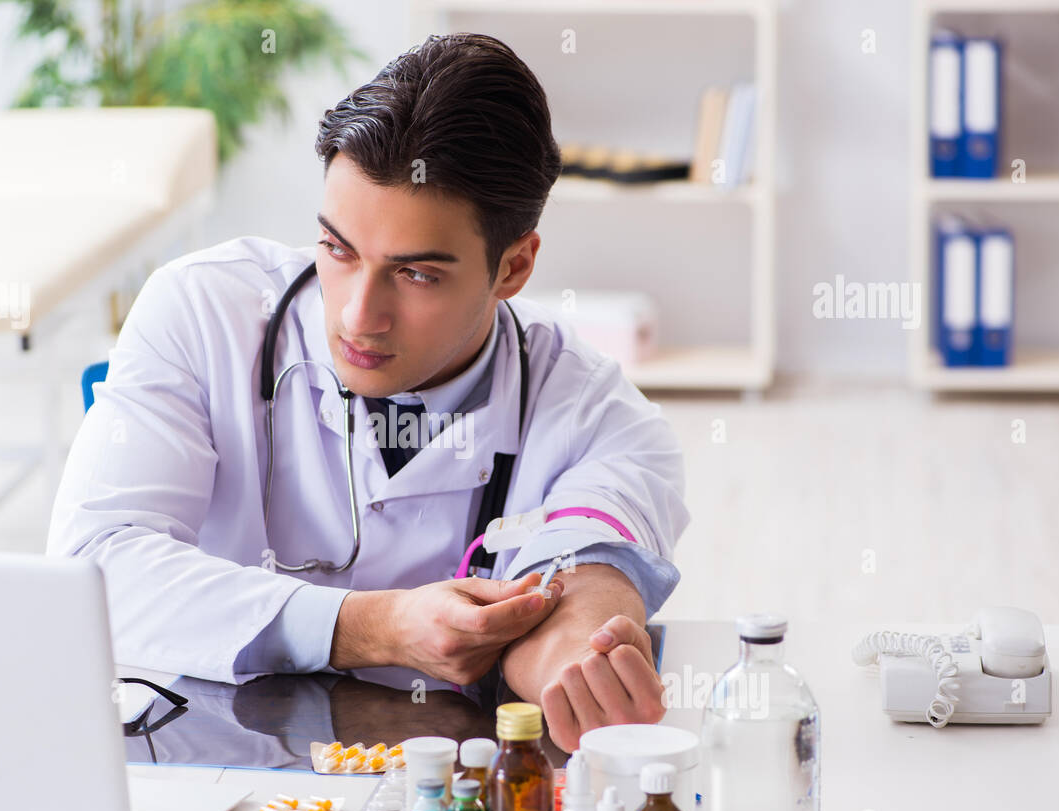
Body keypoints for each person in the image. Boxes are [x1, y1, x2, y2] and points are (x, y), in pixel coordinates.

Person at [47, 33, 690, 752]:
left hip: (437, 791)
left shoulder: (599, 415)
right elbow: (93, 570)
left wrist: (578, 652)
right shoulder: (201, 312)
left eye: (416, 274)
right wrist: (372, 625)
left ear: (514, 266)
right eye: (338, 249)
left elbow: (589, 577)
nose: (358, 315)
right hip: (201, 765)